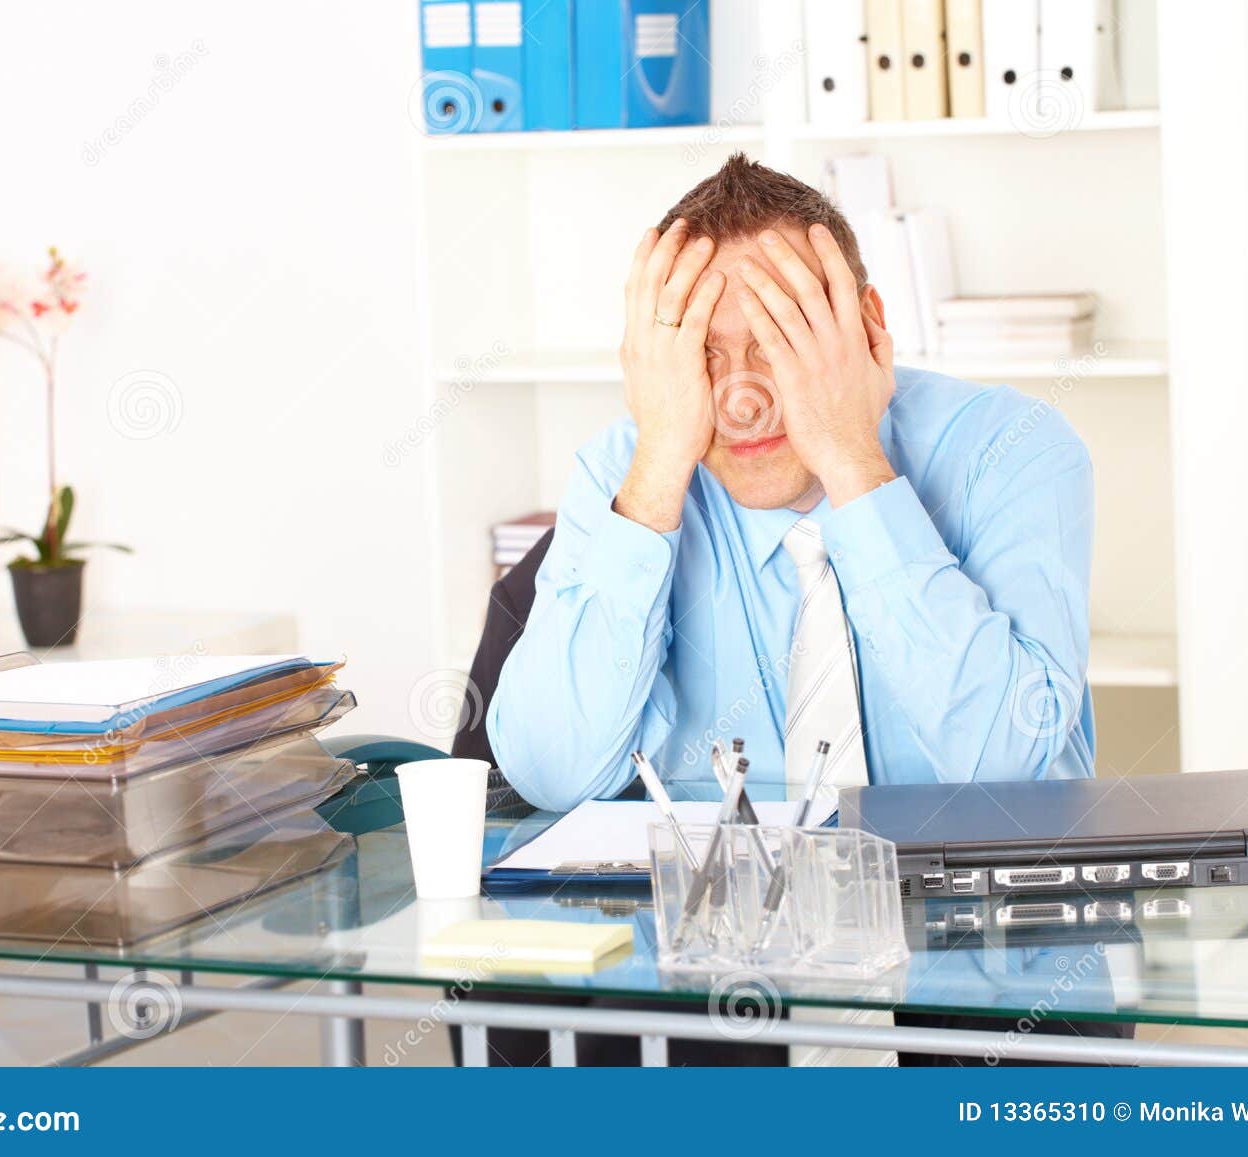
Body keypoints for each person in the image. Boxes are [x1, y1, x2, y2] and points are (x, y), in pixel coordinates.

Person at [476, 153, 1123, 1066]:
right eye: (702, 354)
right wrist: (659, 465)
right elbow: (550, 769)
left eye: (783, 341)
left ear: (868, 328)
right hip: (713, 1007)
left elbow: (1008, 772)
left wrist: (851, 459)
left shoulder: (1014, 452)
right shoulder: (626, 471)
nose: (741, 397)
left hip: (991, 988)